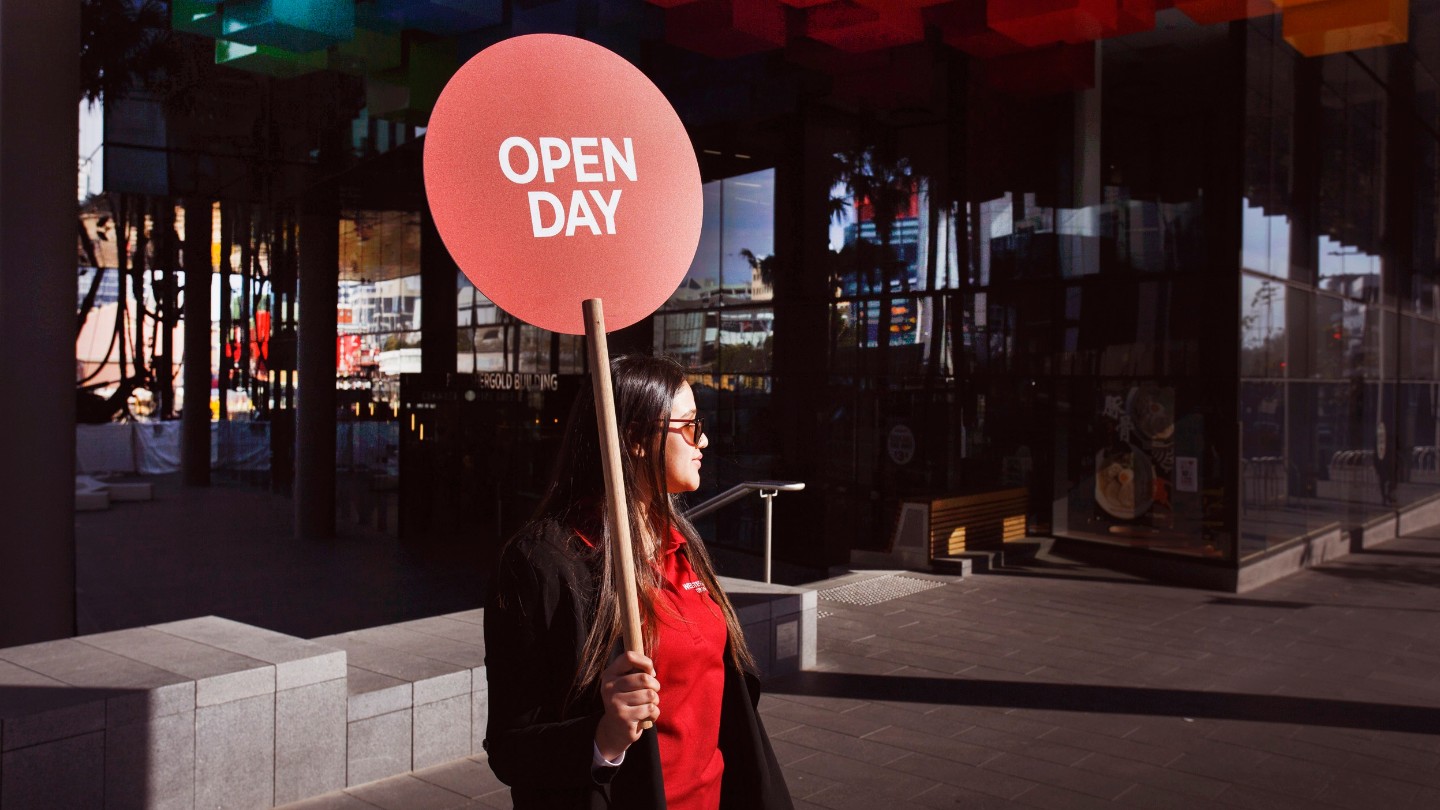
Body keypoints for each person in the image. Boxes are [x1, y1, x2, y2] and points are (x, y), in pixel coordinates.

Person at [483, 354, 793, 810]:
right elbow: (511, 748)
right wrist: (603, 736)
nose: (702, 440)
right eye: (689, 426)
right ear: (636, 439)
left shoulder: (681, 541)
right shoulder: (541, 562)